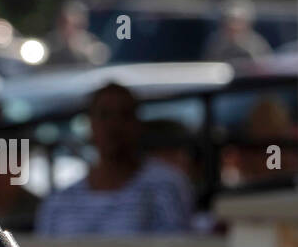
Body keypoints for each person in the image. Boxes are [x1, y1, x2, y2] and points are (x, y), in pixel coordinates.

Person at [35, 82, 193, 235]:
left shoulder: (167, 186)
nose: (114, 124)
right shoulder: (58, 202)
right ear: (91, 125)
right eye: (104, 115)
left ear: (137, 124)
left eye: (124, 115)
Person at [202, 0, 272, 63]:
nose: (233, 25)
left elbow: (264, 67)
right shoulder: (215, 44)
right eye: (229, 20)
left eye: (238, 21)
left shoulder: (257, 45)